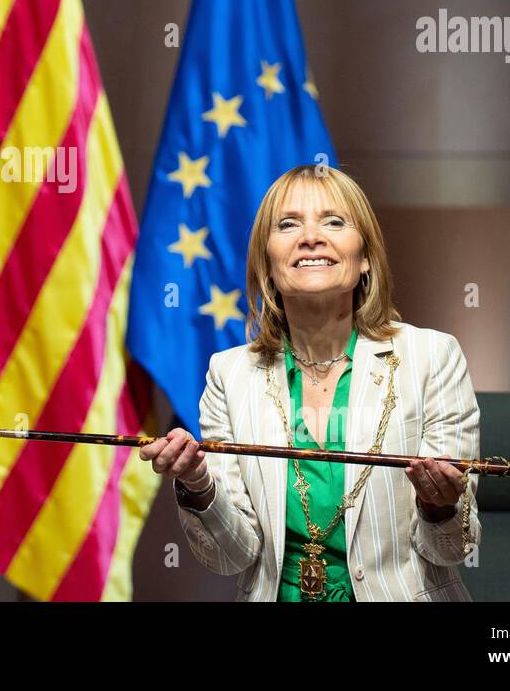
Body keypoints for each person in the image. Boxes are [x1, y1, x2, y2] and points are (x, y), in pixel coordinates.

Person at [140, 164, 481, 601]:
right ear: (267, 266)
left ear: (365, 261)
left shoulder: (432, 357)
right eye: (288, 224)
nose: (311, 237)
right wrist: (197, 483)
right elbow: (232, 557)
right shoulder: (229, 374)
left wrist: (440, 507)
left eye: (334, 221)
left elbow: (455, 548)